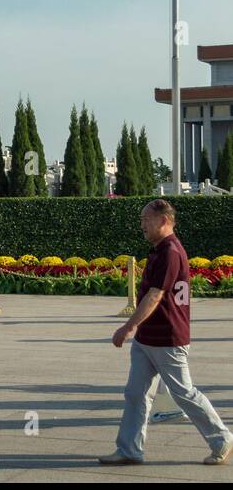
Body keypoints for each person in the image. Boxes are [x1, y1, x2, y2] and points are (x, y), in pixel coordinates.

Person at [99, 199, 233, 466]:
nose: (142, 226)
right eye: (141, 221)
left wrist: (128, 326)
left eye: (145, 220)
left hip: (167, 337)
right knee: (136, 393)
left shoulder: (170, 251)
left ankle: (221, 438)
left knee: (184, 393)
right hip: (149, 337)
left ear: (163, 221)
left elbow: (155, 295)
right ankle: (129, 449)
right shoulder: (160, 250)